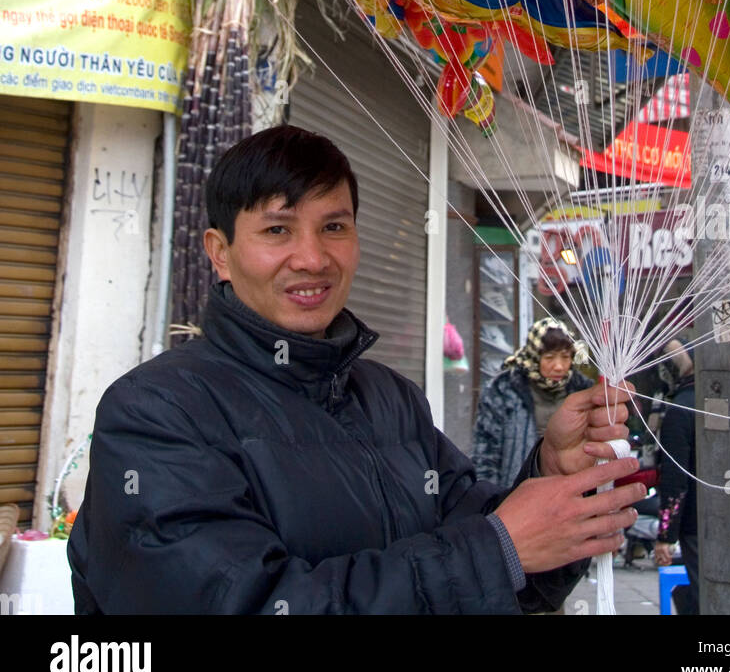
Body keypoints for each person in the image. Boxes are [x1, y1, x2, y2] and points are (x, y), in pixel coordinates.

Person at [68, 125, 645, 615]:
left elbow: (484, 552)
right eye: (278, 230)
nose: (313, 258)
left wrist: (549, 474)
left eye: (334, 227)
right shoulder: (157, 411)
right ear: (219, 252)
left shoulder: (391, 400)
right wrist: (498, 549)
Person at [472, 318, 594, 486]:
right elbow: (485, 455)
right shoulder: (503, 390)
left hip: (570, 492)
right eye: (549, 357)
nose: (559, 366)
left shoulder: (583, 391)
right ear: (534, 356)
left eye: (565, 357)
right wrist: (491, 502)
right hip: (517, 495)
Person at [652, 339, 699, 615]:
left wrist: (665, 536)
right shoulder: (728, 403)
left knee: (698, 599)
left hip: (694, 526)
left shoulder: (679, 411)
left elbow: (675, 482)